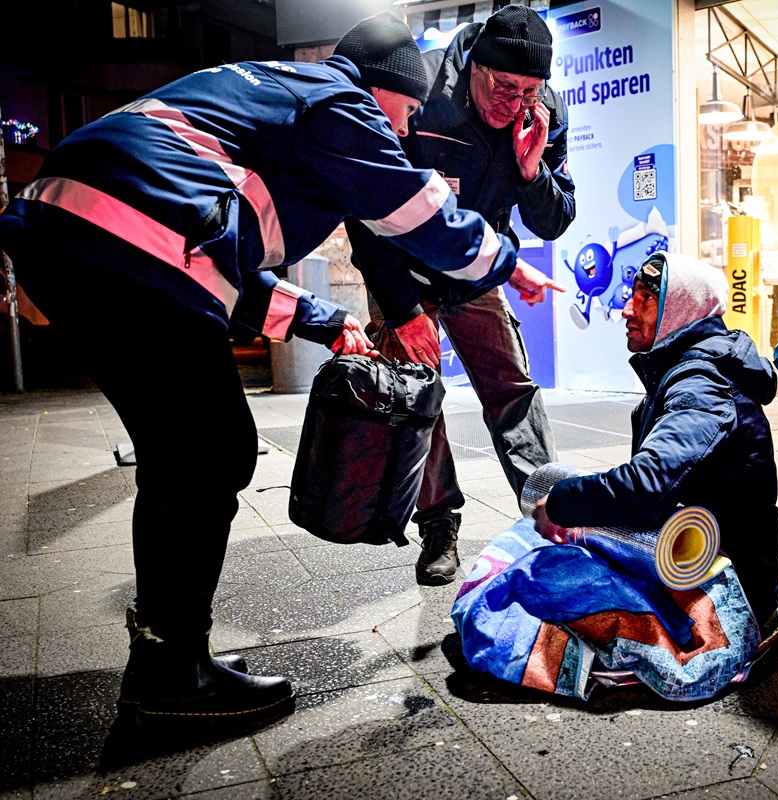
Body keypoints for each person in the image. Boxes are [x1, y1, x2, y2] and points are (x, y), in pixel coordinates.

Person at [0, 11, 523, 727]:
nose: (401, 131)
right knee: (213, 453)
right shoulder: (335, 98)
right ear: (384, 88)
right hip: (130, 246)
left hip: (68, 236)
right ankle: (170, 670)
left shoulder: (257, 93)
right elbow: (411, 210)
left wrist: (326, 321)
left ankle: (168, 651)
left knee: (174, 454)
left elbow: (208, 253)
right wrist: (506, 260)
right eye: (403, 111)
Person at [346, 5, 574, 587]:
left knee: (511, 386)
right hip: (403, 267)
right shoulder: (419, 91)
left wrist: (531, 173)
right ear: (474, 64)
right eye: (502, 87)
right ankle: (439, 525)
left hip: (476, 269)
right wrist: (401, 311)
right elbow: (366, 210)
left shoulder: (543, 111)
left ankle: (550, 512)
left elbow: (554, 222)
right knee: (420, 400)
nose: (514, 103)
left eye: (528, 90)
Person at [532, 252, 778, 625]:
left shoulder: (701, 382)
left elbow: (648, 484)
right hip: (700, 559)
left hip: (730, 588)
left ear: (682, 308)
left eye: (646, 298)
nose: (627, 311)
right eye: (631, 296)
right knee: (555, 491)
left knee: (536, 585)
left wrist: (560, 504)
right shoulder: (686, 369)